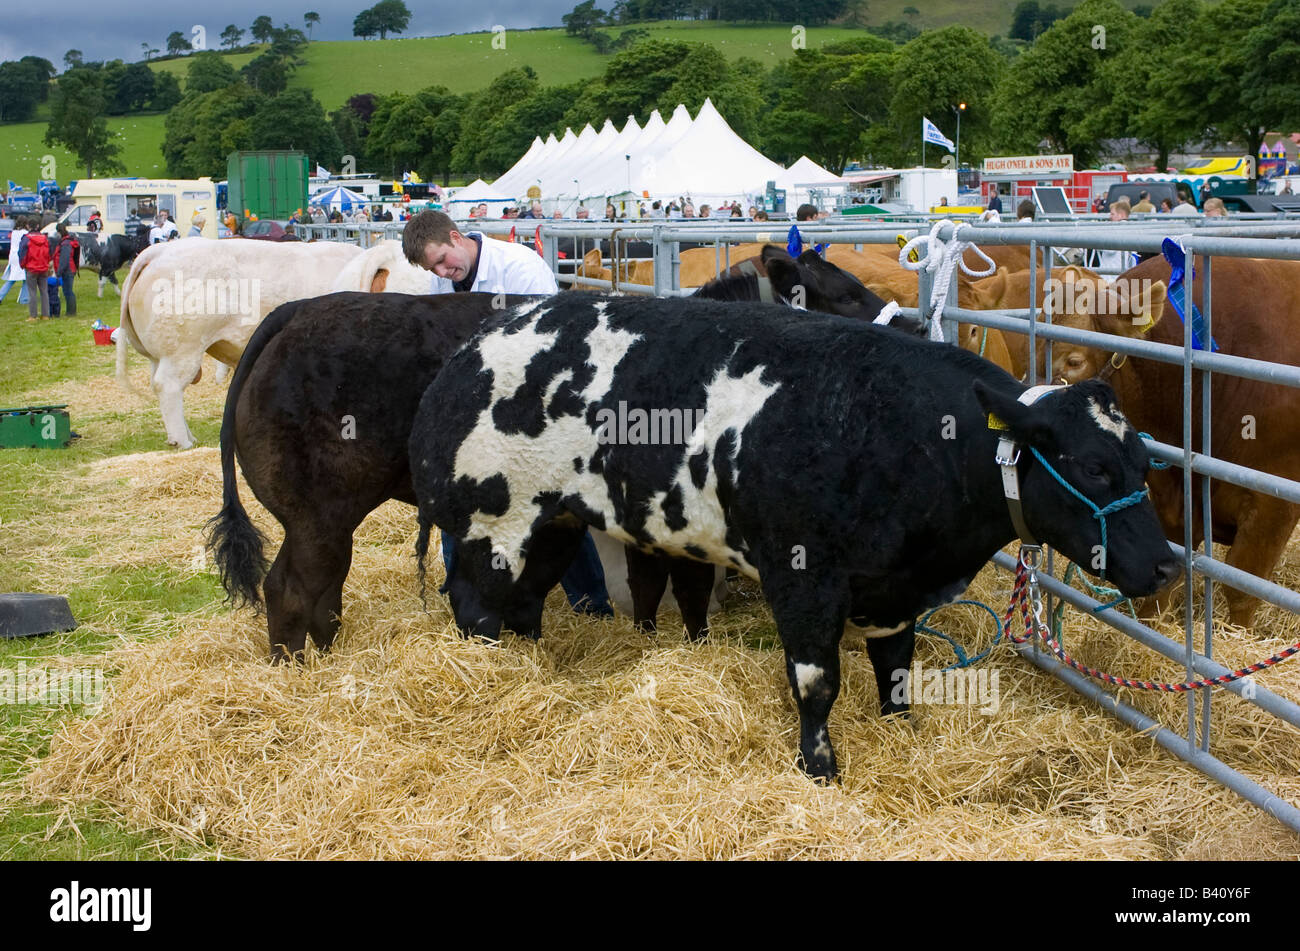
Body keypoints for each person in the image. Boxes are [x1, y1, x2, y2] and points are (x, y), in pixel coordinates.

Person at [399, 210, 612, 617]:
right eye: (434, 268)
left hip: (533, 408)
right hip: (475, 408)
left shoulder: (520, 268)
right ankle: (461, 596)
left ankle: (592, 605)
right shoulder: (441, 280)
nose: (444, 271)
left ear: (457, 237)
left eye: (443, 259)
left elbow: (555, 343)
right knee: (456, 501)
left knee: (557, 509)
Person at [17, 222, 52, 320]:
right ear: (37, 226)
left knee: (32, 292)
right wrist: (47, 263)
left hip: (31, 268)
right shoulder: (45, 238)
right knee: (44, 291)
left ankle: (33, 315)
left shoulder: (26, 239)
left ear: (28, 226)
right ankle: (46, 314)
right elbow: (49, 252)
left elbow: (22, 253)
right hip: (43, 267)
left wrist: (23, 265)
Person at [1, 216, 31, 305]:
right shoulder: (25, 233)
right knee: (26, 279)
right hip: (21, 256)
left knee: (11, 279)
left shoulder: (14, 232)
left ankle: (0, 295)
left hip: (13, 257)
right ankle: (24, 299)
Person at [53, 223, 79, 316]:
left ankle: (71, 312)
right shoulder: (67, 242)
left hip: (67, 270)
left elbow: (64, 259)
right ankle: (71, 311)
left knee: (68, 291)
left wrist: (59, 272)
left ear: (59, 232)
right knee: (68, 291)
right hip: (69, 269)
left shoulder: (65, 244)